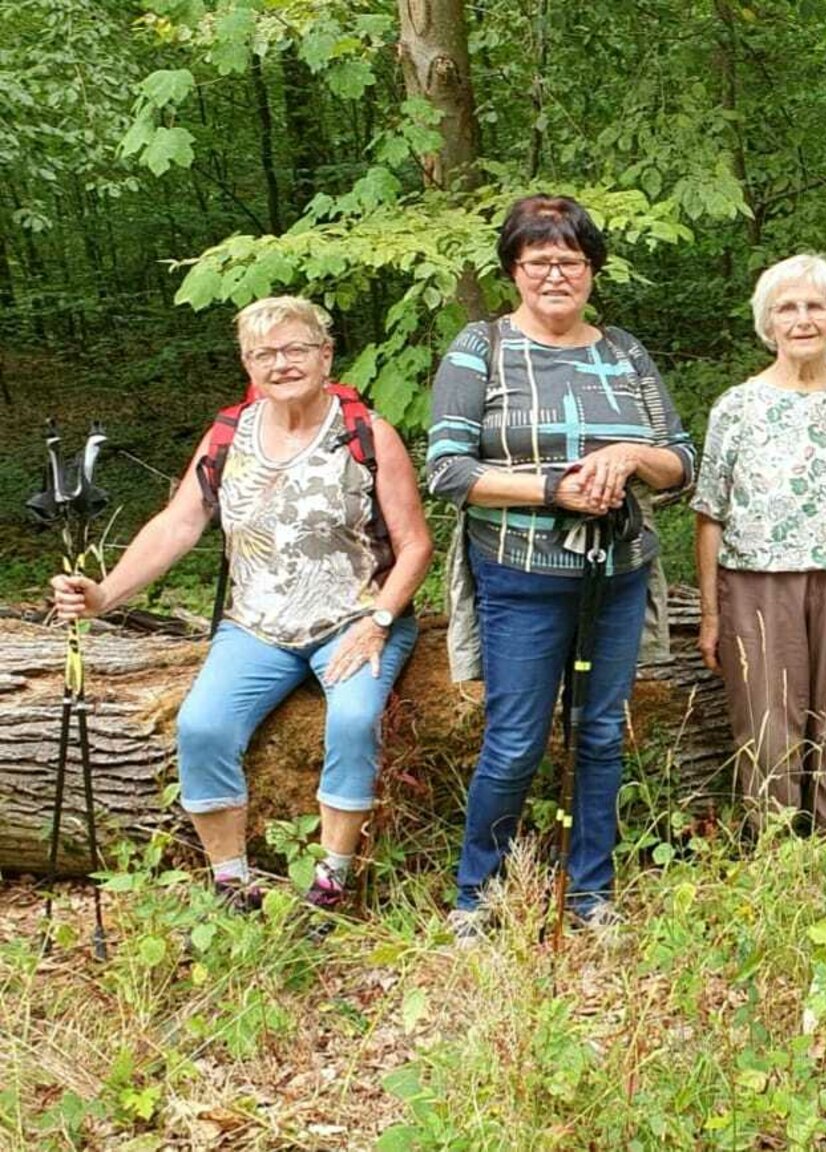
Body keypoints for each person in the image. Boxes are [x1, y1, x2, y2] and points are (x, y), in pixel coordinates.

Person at [50, 295, 432, 914]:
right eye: (265, 354)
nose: (282, 364)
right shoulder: (229, 435)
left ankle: (331, 881)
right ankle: (232, 881)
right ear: (248, 365)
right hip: (256, 624)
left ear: (325, 354)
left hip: (354, 618)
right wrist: (103, 594)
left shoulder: (367, 434)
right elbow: (178, 524)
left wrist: (381, 621)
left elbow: (416, 545)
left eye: (296, 349)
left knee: (354, 719)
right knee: (201, 727)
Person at [427, 195, 694, 940]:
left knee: (601, 733)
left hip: (616, 571)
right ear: (514, 269)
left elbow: (681, 462)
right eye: (538, 260)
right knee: (514, 739)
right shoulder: (479, 347)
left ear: (591, 270)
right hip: (519, 572)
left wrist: (628, 456)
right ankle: (476, 894)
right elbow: (447, 471)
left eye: (570, 260)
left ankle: (590, 893)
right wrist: (553, 488)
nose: (555, 274)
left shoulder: (625, 351)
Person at [695, 254, 826, 836]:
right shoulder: (737, 406)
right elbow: (708, 515)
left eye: (816, 306)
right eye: (787, 307)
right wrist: (711, 614)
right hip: (760, 585)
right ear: (768, 322)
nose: (803, 318)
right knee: (767, 725)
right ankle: (775, 853)